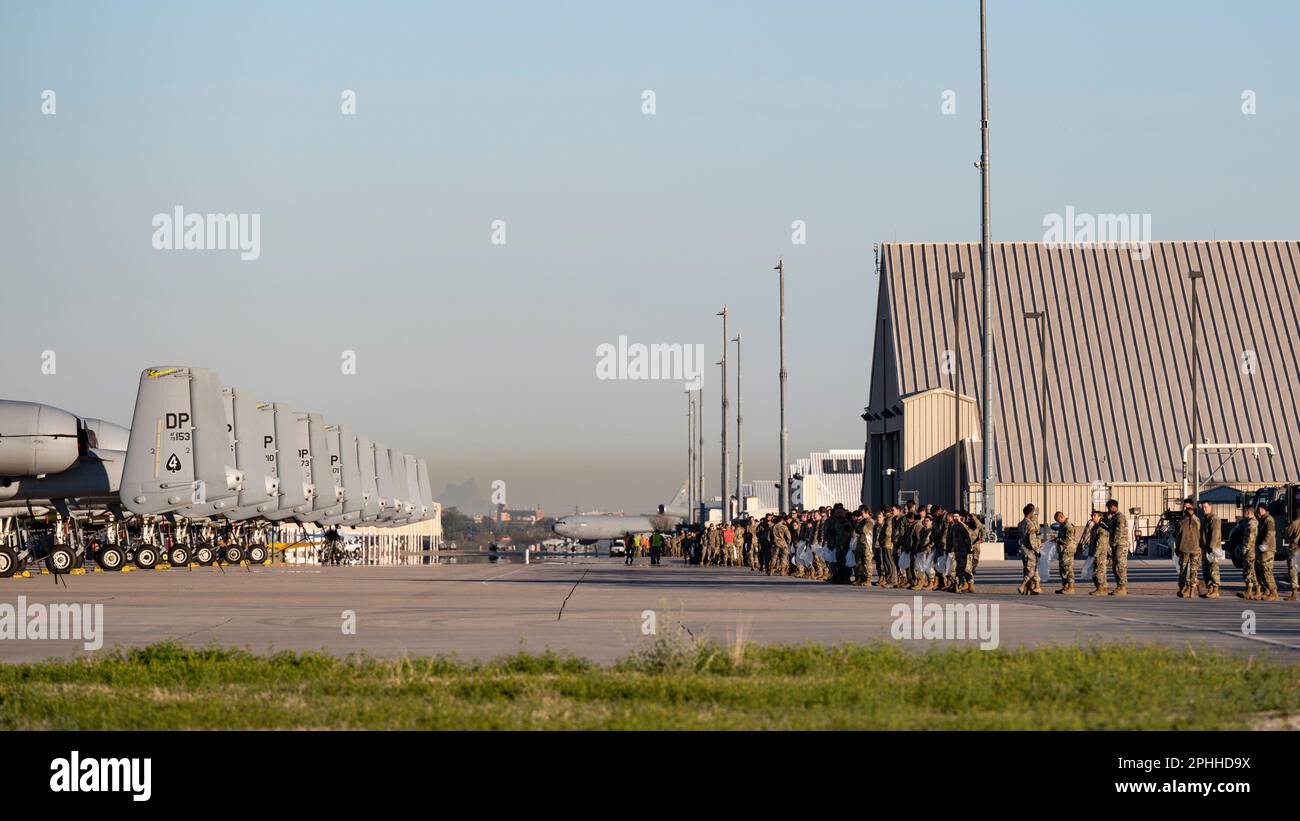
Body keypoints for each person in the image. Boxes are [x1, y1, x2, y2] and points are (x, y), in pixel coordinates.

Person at [1175, 499, 1201, 598]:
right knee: (1187, 570)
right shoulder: (1195, 520)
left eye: (1187, 507)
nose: (1184, 508)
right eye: (1184, 506)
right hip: (1188, 549)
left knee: (1189, 570)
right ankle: (1186, 589)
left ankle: (1189, 589)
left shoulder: (1185, 521)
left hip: (1189, 549)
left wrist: (1177, 548)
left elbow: (1178, 536)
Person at [1105, 499, 1130, 596]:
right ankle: (1119, 586)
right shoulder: (1114, 517)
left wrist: (1113, 544)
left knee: (1120, 565)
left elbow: (1119, 532)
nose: (1108, 510)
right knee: (1115, 566)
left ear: (1113, 507)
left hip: (1120, 545)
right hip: (1116, 544)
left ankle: (1122, 587)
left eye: (1109, 508)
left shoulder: (1120, 517)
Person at [1197, 499, 1221, 598]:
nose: (1204, 509)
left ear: (1210, 507)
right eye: (1203, 507)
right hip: (1205, 548)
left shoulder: (1214, 519)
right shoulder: (1204, 519)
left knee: (1213, 568)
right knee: (1206, 569)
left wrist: (1211, 547)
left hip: (1213, 548)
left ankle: (1215, 589)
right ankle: (1209, 589)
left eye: (1206, 507)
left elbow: (1215, 534)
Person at [1235, 506, 1260, 600]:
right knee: (1247, 571)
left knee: (1251, 570)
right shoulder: (1248, 522)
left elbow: (1250, 538)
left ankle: (1257, 590)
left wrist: (1246, 548)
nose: (1244, 514)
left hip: (1250, 550)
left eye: (1245, 512)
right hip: (1249, 549)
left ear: (1249, 512)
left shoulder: (1252, 523)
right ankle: (1248, 591)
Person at [1256, 503, 1279, 601]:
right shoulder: (1262, 519)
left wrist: (1265, 544)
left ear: (1266, 509)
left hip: (1268, 549)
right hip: (1262, 549)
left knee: (1267, 571)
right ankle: (1267, 591)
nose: (1260, 511)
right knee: (1262, 571)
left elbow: (1271, 532)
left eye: (1262, 509)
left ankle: (1274, 592)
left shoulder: (1269, 519)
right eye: (1259, 509)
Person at [1018, 503, 1042, 595]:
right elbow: (1032, 540)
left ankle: (1029, 588)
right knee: (1032, 570)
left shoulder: (1020, 524)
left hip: (1023, 549)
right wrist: (1037, 550)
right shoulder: (1030, 525)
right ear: (1031, 512)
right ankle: (1022, 585)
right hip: (1030, 550)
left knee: (1027, 569)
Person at [1053, 511, 1077, 594]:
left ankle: (1071, 587)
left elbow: (1068, 539)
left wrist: (1058, 539)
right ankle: (1065, 586)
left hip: (1068, 549)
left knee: (1068, 568)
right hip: (1063, 549)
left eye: (1058, 520)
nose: (1057, 522)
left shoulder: (1068, 526)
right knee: (1062, 568)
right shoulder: (1062, 525)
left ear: (1061, 517)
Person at [1089, 510, 1112, 595]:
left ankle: (1102, 589)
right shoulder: (1095, 526)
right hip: (1095, 552)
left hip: (1100, 553)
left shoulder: (1102, 527)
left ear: (1100, 517)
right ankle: (1099, 588)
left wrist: (1096, 554)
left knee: (1100, 571)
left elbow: (1101, 543)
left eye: (1094, 515)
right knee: (1096, 571)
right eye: (1091, 515)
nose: (1092, 517)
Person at [1285, 515, 1300, 601]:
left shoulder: (1295, 523)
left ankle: (1294, 592)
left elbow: (1286, 532)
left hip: (1295, 549)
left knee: (1293, 570)